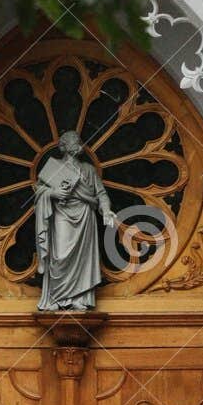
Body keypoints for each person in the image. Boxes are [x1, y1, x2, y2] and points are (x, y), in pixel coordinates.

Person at [34, 129, 117, 312]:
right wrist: (53, 193)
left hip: (85, 215)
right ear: (63, 146)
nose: (78, 143)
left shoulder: (88, 169)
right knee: (61, 255)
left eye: (79, 140)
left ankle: (79, 297)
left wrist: (106, 211)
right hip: (62, 214)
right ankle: (56, 297)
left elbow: (101, 193)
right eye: (73, 140)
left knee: (84, 258)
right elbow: (39, 191)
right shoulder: (54, 167)